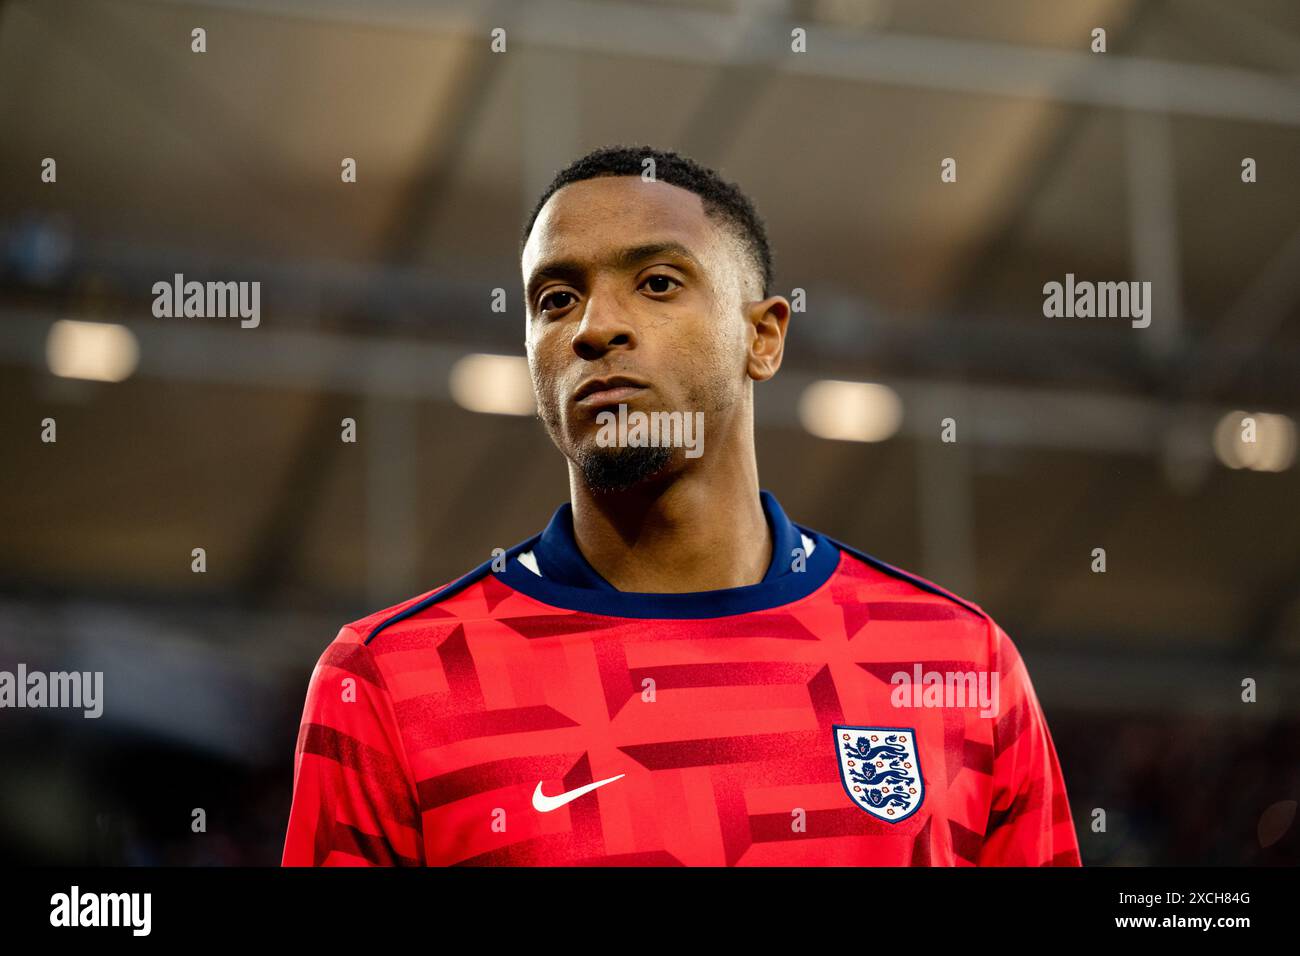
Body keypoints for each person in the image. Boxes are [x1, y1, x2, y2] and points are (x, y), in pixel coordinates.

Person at [281, 144, 1081, 866]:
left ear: (763, 338)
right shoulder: (390, 682)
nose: (594, 328)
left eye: (657, 283)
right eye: (555, 299)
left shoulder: (958, 663)